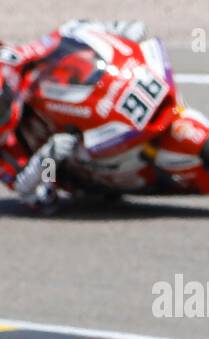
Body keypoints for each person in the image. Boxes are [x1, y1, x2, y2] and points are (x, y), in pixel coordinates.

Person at [0, 19, 147, 210]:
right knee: (50, 184)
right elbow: (32, 193)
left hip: (60, 94)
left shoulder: (8, 62)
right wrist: (47, 160)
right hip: (63, 153)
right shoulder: (5, 150)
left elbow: (60, 36)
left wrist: (110, 33)